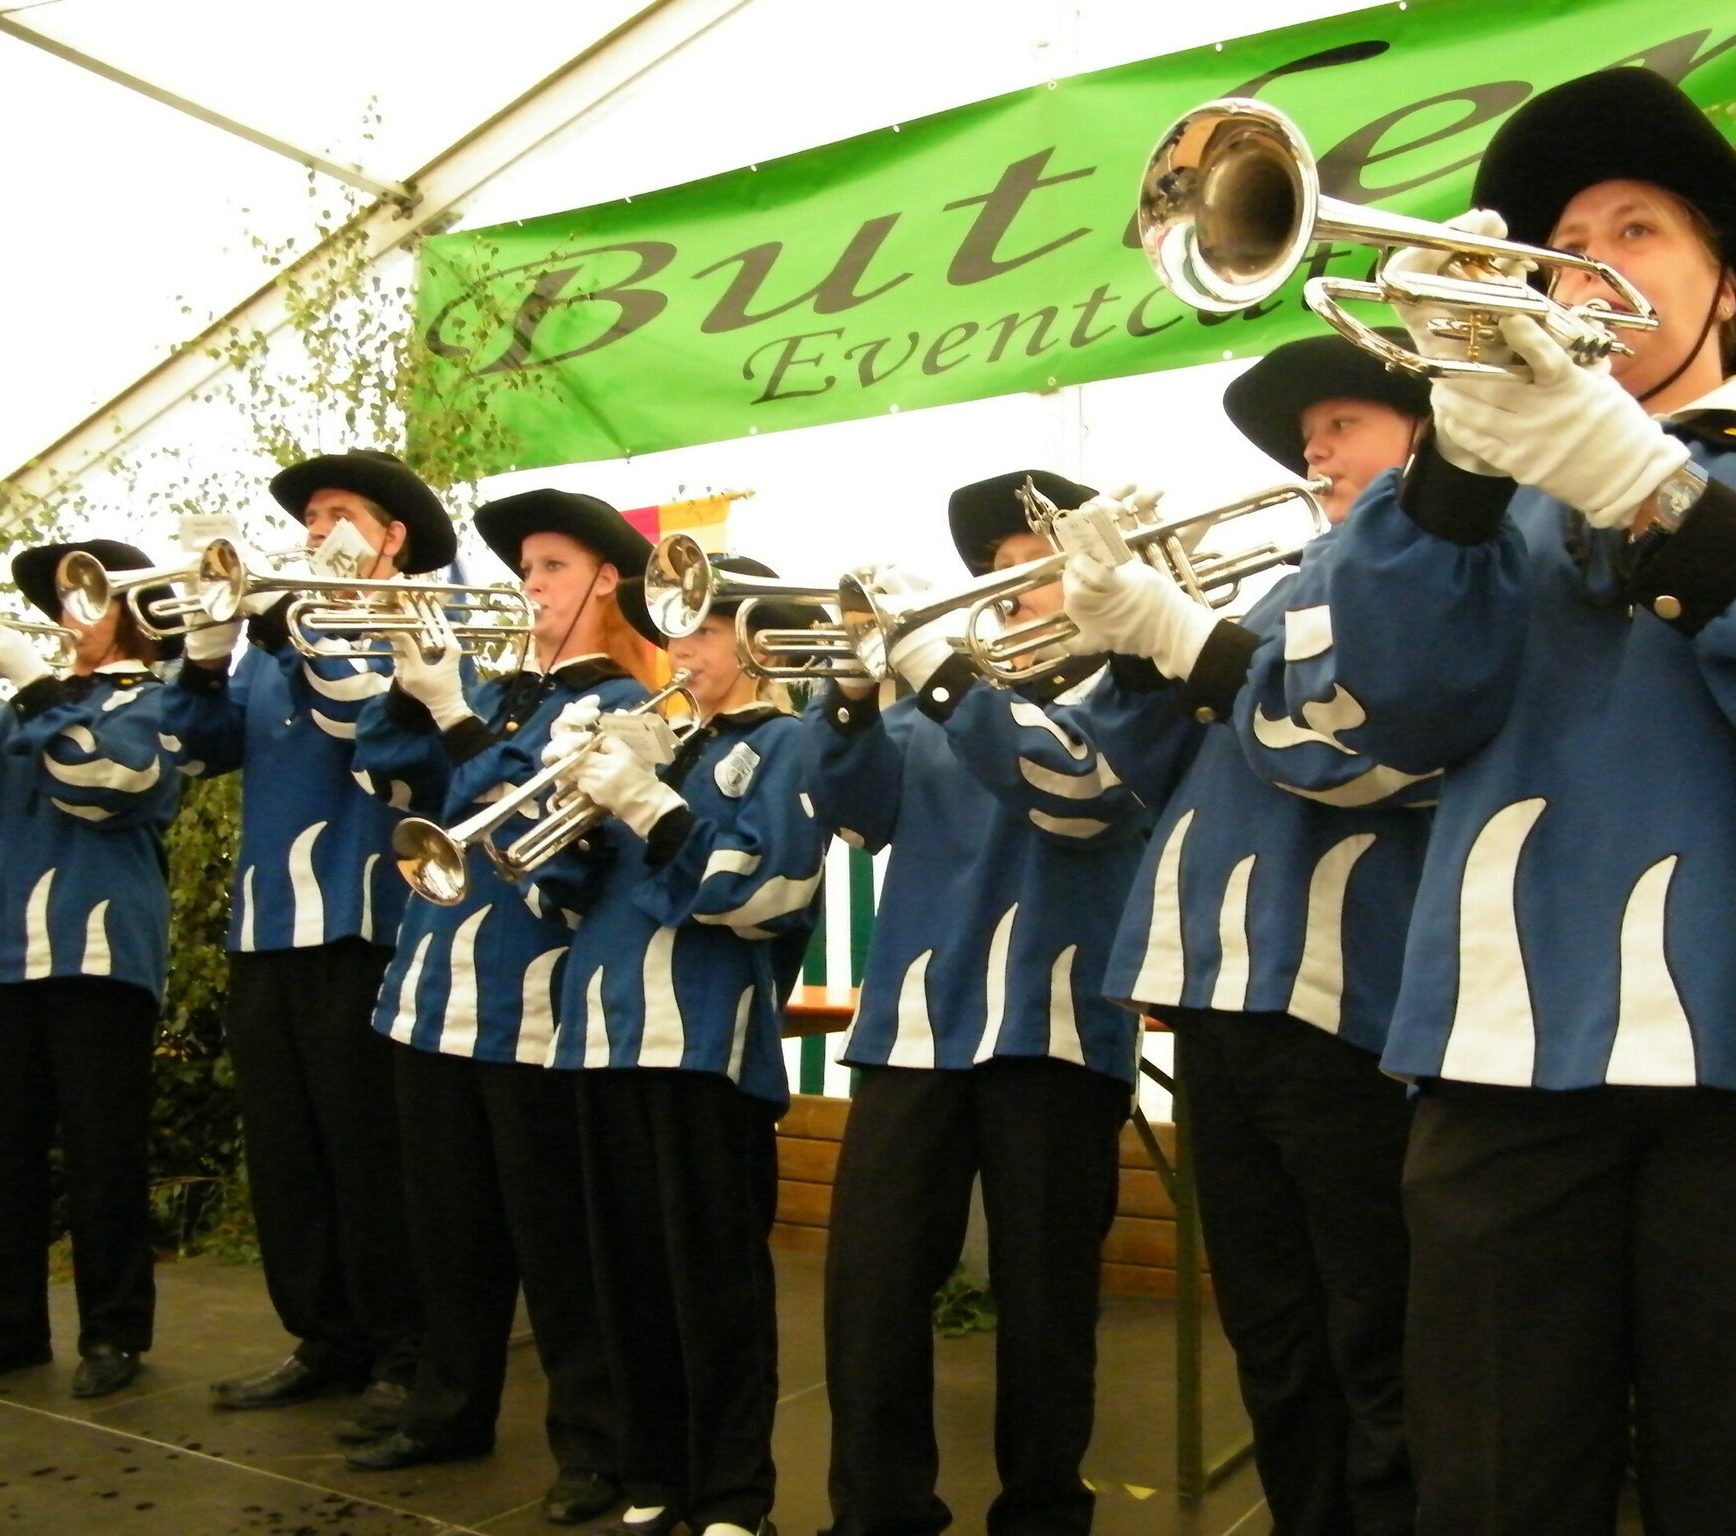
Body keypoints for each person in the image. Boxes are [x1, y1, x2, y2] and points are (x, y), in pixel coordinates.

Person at [1297, 67, 1736, 1536]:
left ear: (1729, 291)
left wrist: (1647, 486)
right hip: (1501, 1065)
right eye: (1567, 237)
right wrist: (1444, 484)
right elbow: (1376, 719)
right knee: (1491, 1498)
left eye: (1641, 231)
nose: (1591, 265)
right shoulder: (1485, 500)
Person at [1050, 336, 1434, 1536]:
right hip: (1221, 995)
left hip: (1341, 992)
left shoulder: (1433, 563)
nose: (1312, 452)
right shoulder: (1277, 586)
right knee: (1267, 1324)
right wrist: (1123, 629)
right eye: (1305, 435)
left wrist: (1184, 631)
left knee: (1374, 1327)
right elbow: (1127, 765)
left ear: (1424, 435)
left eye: (1343, 426)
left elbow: (1355, 747)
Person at [800, 470, 1150, 1536]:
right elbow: (853, 818)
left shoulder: (1135, 692)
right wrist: (854, 696)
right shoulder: (931, 706)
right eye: (997, 573)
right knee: (869, 1295)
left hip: (1055, 1027)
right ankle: (877, 1512)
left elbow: (1076, 800)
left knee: (1047, 1309)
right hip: (912, 1025)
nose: (1009, 589)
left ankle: (1043, 1515)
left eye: (1032, 568)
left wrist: (935, 676)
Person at [340, 490, 652, 1526]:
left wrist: (453, 712)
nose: (529, 588)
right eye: (526, 570)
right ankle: (447, 1408)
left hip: (530, 1009)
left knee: (557, 1243)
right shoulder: (505, 691)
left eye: (551, 569)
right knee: (449, 1230)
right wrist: (409, 689)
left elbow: (522, 821)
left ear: (606, 580)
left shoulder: (612, 705)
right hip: (430, 999)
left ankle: (595, 1445)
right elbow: (393, 780)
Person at [534, 554, 829, 1536]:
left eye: (702, 629)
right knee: (626, 1282)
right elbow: (555, 901)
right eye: (676, 628)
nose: (681, 649)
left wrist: (650, 806)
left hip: (705, 1045)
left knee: (714, 1290)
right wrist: (565, 804)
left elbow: (764, 896)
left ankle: (734, 1497)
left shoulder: (785, 743)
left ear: (755, 640)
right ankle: (653, 1471)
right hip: (599, 1041)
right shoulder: (653, 740)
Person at [168, 449, 437, 1421]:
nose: (314, 531)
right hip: (266, 929)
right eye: (310, 518)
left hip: (365, 925)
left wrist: (310, 632)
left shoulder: (413, 622)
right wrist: (203, 657)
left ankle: (406, 1348)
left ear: (391, 536)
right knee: (286, 1152)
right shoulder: (278, 651)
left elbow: (370, 729)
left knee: (370, 1152)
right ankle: (324, 1336)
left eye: (337, 515)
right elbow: (194, 751)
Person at [0, 541, 187, 1399]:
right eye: (64, 601)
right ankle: (5, 1323)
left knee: (103, 1155)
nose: (67, 617)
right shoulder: (18, 710)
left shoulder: (155, 703)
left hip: (98, 954)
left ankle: (115, 1331)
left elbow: (107, 784)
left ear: (131, 611)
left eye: (85, 597)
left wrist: (36, 689)